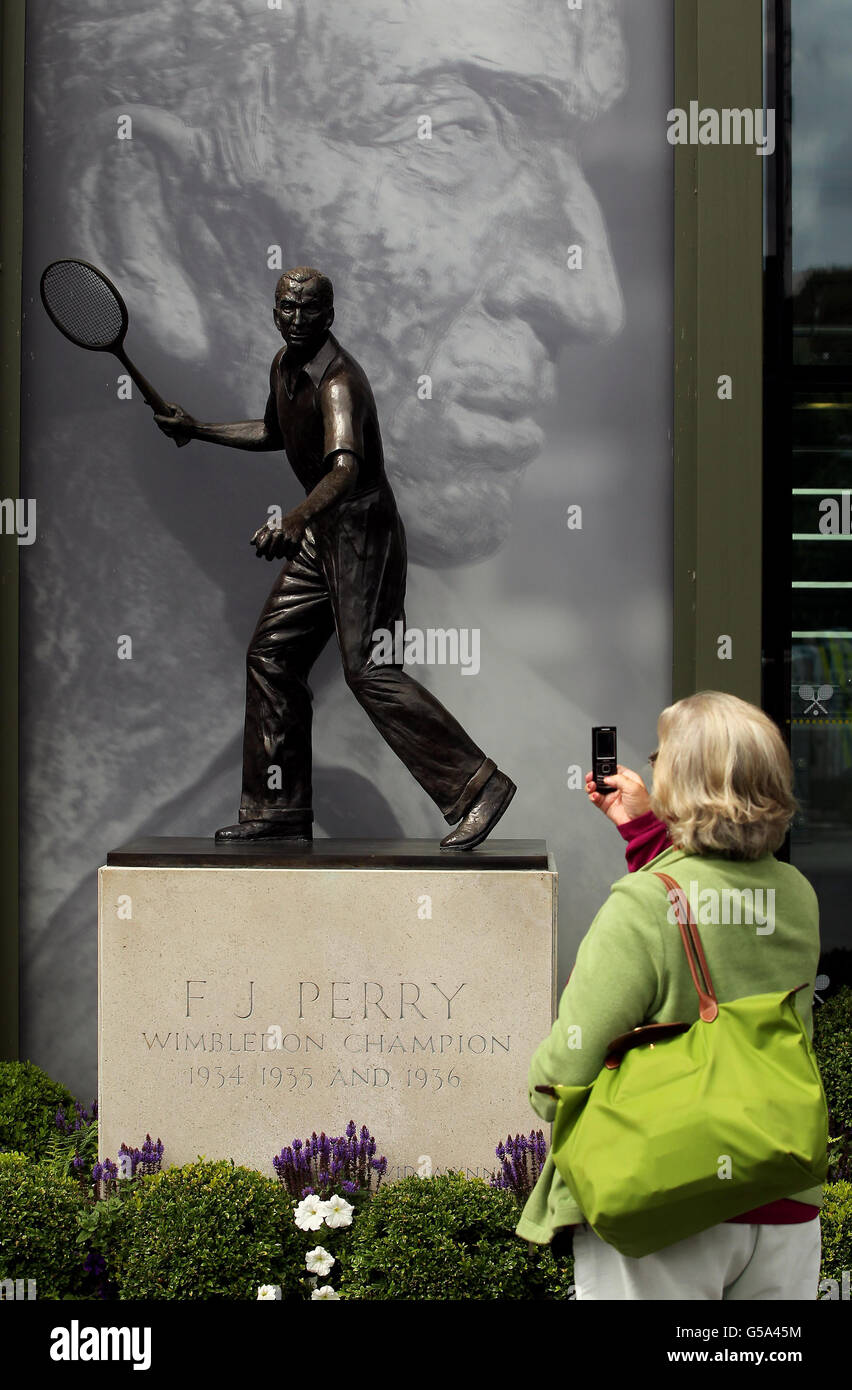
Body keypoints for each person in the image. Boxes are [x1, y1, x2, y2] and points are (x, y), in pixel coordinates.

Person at [155, 267, 516, 846]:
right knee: (271, 657)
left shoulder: (339, 382)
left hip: (361, 536)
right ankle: (277, 810)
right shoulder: (284, 365)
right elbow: (272, 430)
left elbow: (344, 470)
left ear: (330, 315)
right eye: (286, 308)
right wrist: (197, 428)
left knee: (369, 670)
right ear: (275, 310)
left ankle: (478, 787)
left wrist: (295, 517)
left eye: (308, 310)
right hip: (323, 532)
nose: (295, 320)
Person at [518, 691, 824, 1300]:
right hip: (783, 1194)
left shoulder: (642, 904)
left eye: (662, 760)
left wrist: (546, 1094)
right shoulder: (796, 895)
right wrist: (647, 831)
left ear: (682, 782)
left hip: (664, 1201)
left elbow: (565, 1071)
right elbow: (716, 900)